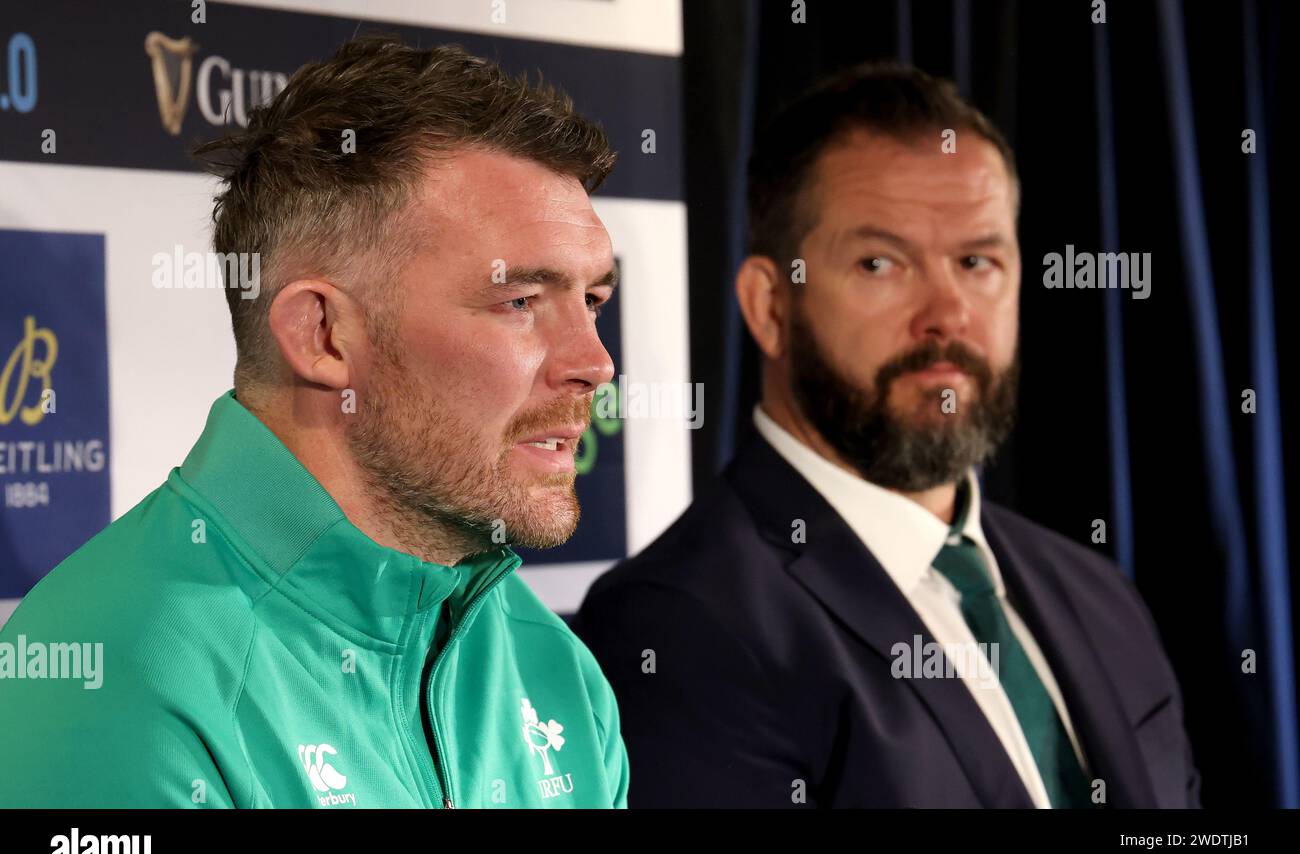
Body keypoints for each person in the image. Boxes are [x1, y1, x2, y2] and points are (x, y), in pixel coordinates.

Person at [0, 36, 628, 809]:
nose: (594, 363)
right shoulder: (118, 680)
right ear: (324, 336)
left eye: (593, 300)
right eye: (521, 301)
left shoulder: (549, 663)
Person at [574, 62, 1200, 808]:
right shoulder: (681, 628)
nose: (948, 312)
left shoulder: (1099, 596)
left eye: (978, 261)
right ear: (770, 306)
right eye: (881, 263)